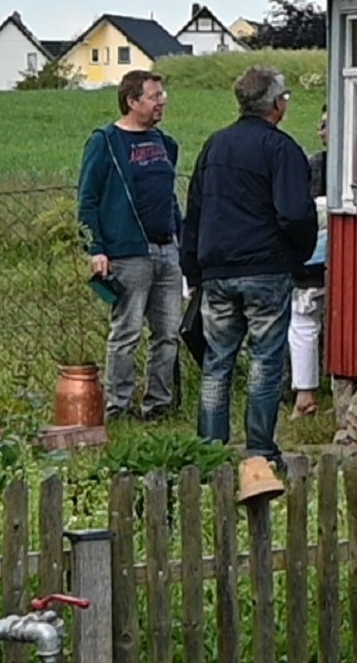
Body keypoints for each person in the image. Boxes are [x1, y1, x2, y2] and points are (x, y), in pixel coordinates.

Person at [181, 66, 318, 463]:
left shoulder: (214, 146)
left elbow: (196, 210)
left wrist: (193, 268)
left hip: (217, 270)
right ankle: (260, 447)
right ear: (276, 104)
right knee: (264, 359)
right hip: (265, 268)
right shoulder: (282, 149)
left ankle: (209, 450)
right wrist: (298, 254)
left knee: (217, 361)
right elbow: (295, 213)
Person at [76, 70, 183, 421]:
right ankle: (118, 408)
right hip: (128, 252)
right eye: (154, 96)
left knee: (168, 334)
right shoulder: (106, 142)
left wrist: (181, 239)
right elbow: (87, 200)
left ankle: (158, 406)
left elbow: (170, 198)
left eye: (162, 95)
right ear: (132, 101)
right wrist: (96, 249)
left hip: (167, 249)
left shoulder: (165, 144)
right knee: (127, 332)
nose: (161, 102)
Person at [288, 108, 329, 416]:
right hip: (318, 260)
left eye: (325, 124)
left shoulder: (316, 166)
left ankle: (306, 392)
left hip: (311, 259)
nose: (320, 130)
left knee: (303, 322)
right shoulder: (315, 164)